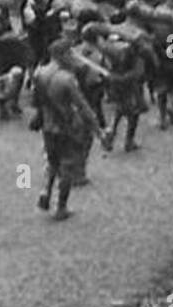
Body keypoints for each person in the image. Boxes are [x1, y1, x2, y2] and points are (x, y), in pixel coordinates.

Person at [30, 38, 112, 221]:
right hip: (65, 126)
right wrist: (98, 130)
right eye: (69, 53)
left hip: (47, 125)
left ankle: (45, 190)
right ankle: (61, 207)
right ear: (62, 55)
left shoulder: (39, 73)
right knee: (67, 165)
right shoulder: (67, 79)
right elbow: (82, 106)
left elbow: (35, 101)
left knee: (52, 161)